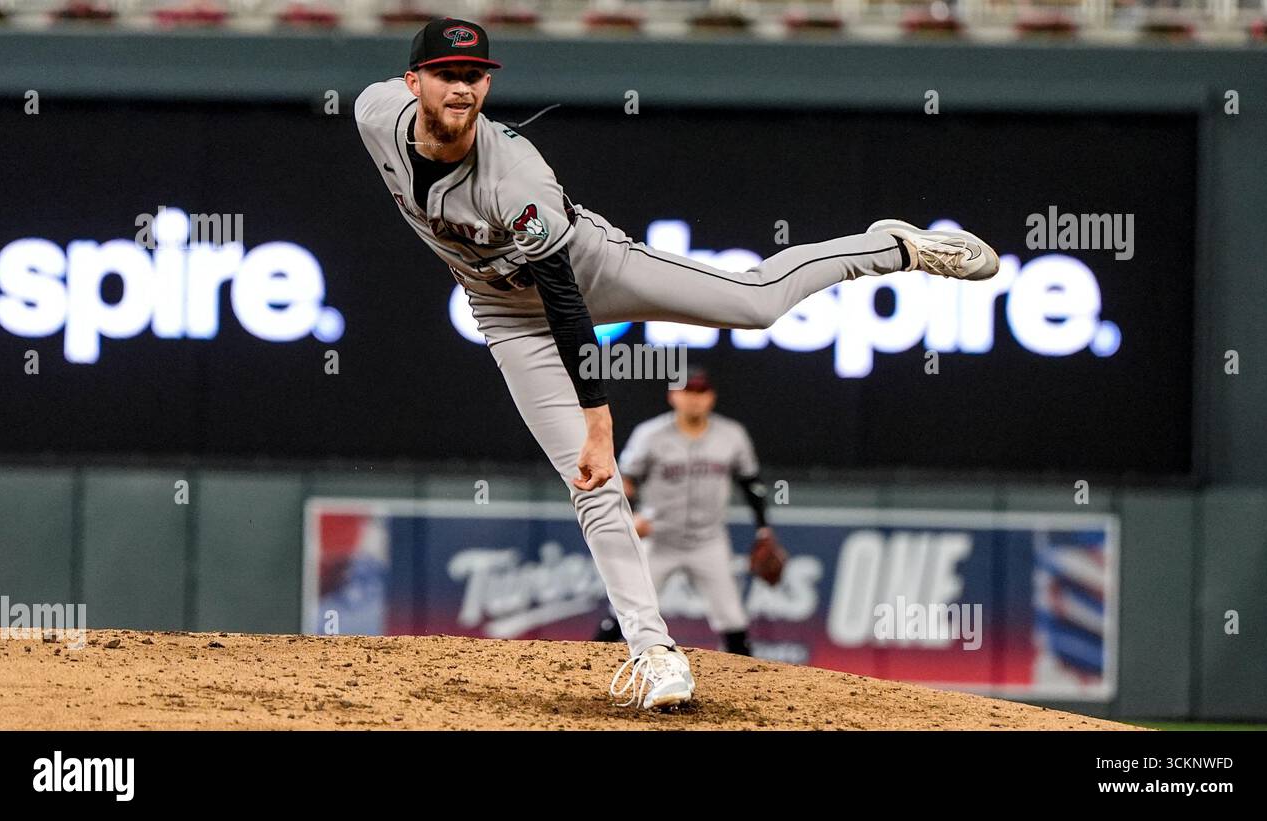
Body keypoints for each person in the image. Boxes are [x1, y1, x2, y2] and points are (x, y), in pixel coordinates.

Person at [354, 17, 999, 710]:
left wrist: (599, 420)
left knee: (755, 304)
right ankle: (656, 654)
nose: (462, 87)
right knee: (591, 484)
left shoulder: (515, 175)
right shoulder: (372, 112)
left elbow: (567, 300)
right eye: (447, 74)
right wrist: (592, 444)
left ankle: (895, 248)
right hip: (505, 315)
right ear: (412, 81)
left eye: (475, 75)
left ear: (489, 83)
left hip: (590, 270)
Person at [593, 370, 771, 656]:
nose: (694, 399)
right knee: (625, 613)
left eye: (701, 392)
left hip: (709, 542)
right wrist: (631, 516)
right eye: (688, 392)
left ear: (711, 397)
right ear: (673, 395)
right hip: (659, 539)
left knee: (733, 620)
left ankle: (747, 689)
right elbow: (624, 480)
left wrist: (764, 529)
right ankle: (585, 671)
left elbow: (752, 483)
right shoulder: (649, 434)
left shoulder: (732, 435)